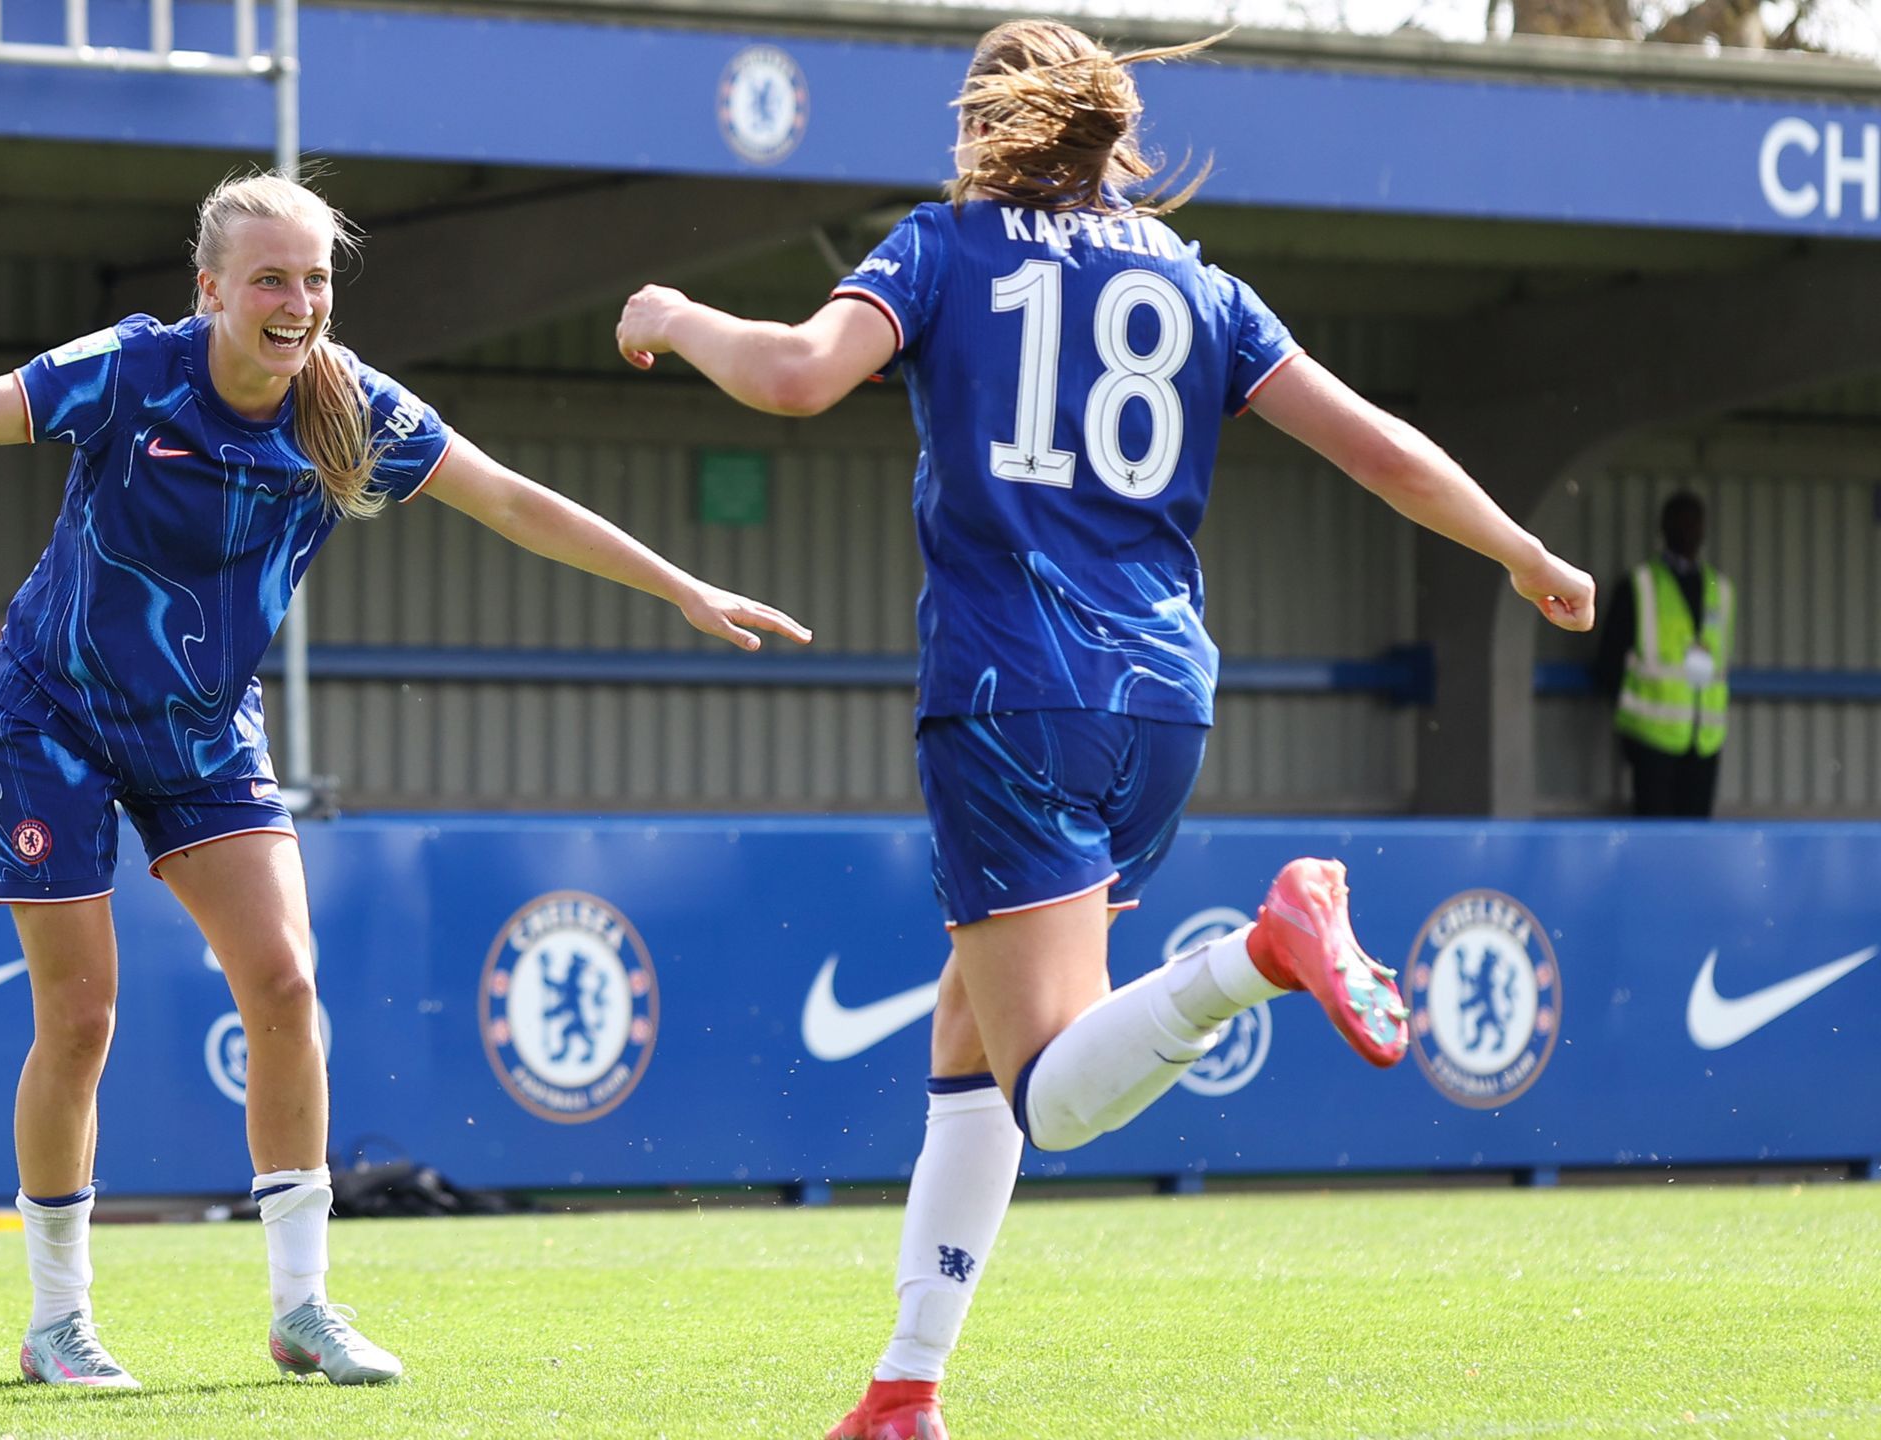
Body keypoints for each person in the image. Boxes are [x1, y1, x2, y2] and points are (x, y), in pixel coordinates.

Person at [0, 172, 810, 1392]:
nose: (296, 304)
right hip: (51, 716)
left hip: (200, 731)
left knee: (286, 984)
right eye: (269, 279)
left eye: (315, 280)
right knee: (79, 1020)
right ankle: (56, 1321)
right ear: (210, 290)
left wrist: (681, 585)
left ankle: (302, 1307)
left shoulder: (352, 409)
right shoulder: (134, 374)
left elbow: (509, 499)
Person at [614, 22, 1595, 1440]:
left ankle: (1259, 951)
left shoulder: (944, 247)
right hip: (1164, 698)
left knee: (1052, 1096)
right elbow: (1375, 443)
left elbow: (795, 374)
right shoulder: (1202, 283)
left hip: (1014, 691)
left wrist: (672, 316)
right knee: (973, 1018)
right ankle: (905, 1386)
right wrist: (1520, 551)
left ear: (989, 128)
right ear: (1110, 140)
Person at [1594, 492, 1728, 817]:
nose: (1689, 531)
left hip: (1704, 737)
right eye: (1681, 522)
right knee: (1655, 836)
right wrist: (1632, 709)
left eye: (1695, 523)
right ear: (1664, 528)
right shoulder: (1640, 584)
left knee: (1696, 839)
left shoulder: (1719, 588)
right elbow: (1608, 662)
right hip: (1651, 737)